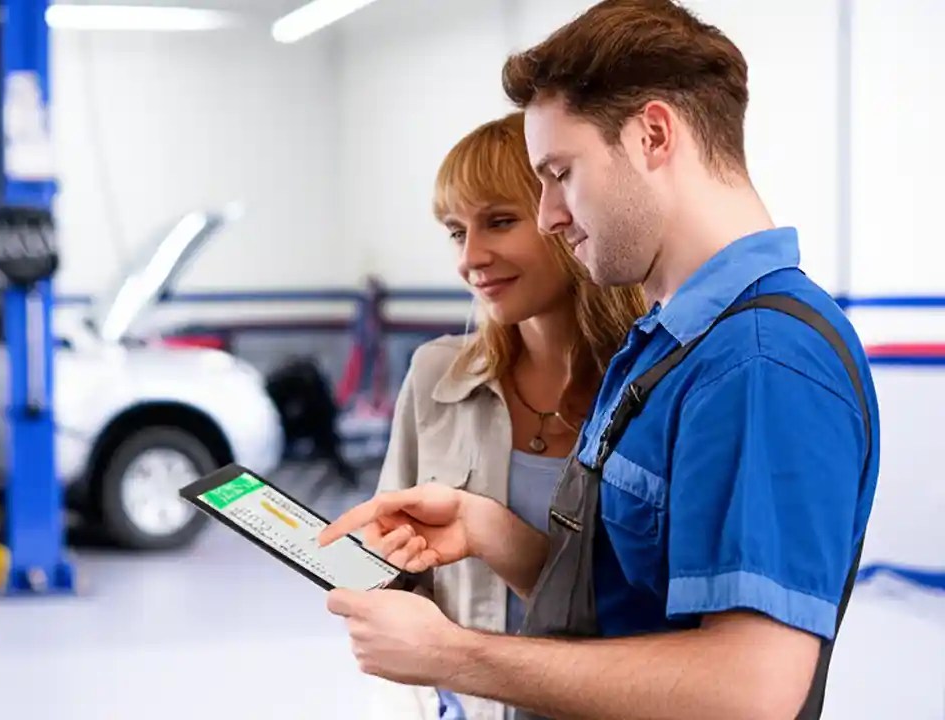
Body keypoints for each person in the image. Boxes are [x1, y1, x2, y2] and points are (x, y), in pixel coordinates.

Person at [319, 2, 881, 719]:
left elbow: (749, 691)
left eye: (561, 173)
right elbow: (619, 613)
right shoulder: (667, 345)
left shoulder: (758, 362)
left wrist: (452, 655)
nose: (549, 215)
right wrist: (490, 531)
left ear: (653, 135)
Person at [363, 113, 645, 720]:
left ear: (564, 213)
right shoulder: (435, 376)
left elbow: (641, 609)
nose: (471, 258)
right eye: (455, 232)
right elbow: (392, 571)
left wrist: (494, 534)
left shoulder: (650, 389)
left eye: (498, 222)